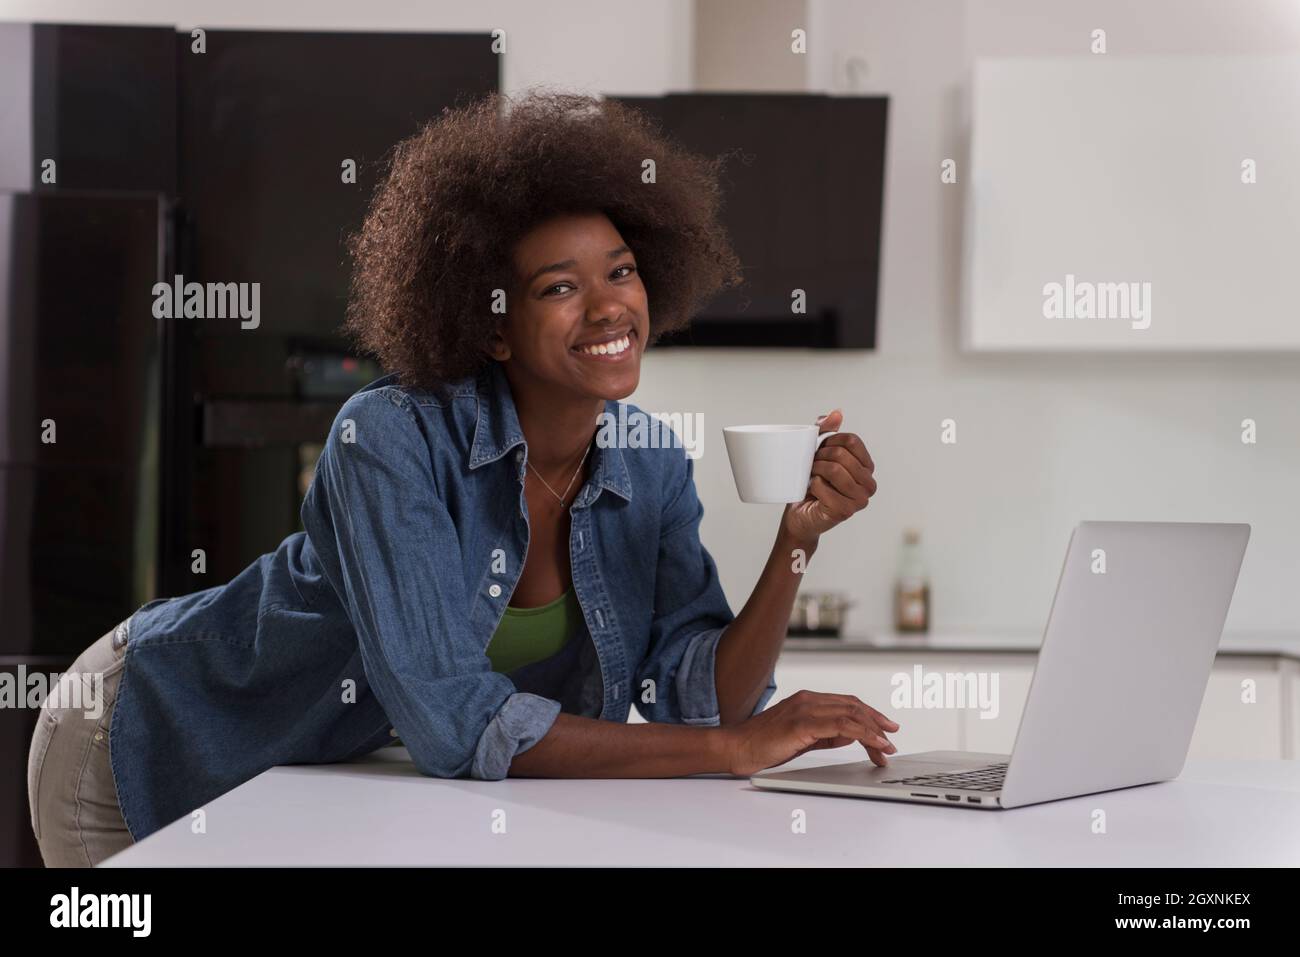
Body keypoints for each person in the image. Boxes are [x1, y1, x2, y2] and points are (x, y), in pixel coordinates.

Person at [27, 88, 892, 867]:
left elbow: (705, 698)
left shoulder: (651, 461)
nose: (607, 307)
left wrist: (795, 543)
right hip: (145, 736)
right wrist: (732, 754)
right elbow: (460, 723)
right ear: (492, 328)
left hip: (297, 781)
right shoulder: (389, 437)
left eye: (621, 271)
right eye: (559, 286)